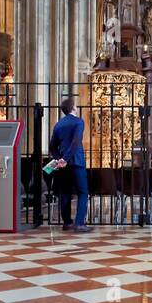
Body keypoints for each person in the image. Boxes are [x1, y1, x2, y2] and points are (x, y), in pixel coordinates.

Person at [49, 97, 91, 232]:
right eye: (76, 106)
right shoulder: (78, 122)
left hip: (63, 165)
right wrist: (66, 159)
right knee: (83, 192)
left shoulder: (58, 124)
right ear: (73, 108)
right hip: (76, 161)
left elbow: (52, 147)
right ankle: (79, 223)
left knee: (65, 192)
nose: (77, 108)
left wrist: (59, 159)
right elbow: (76, 141)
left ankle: (67, 222)